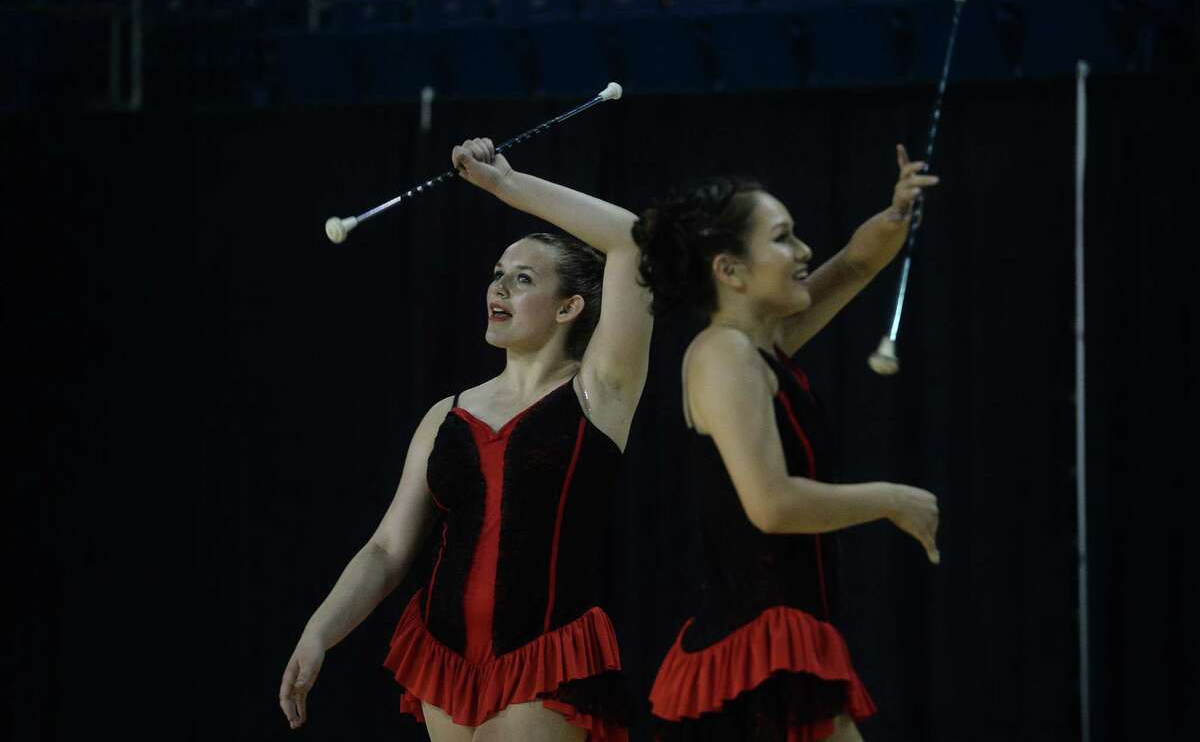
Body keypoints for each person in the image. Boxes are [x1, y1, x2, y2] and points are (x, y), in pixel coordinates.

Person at [279, 138, 652, 741]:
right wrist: (318, 633)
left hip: (544, 656)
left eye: (523, 279)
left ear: (569, 308)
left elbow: (633, 241)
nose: (498, 289)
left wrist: (506, 186)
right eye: (497, 275)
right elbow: (386, 551)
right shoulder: (444, 417)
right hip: (443, 662)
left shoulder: (600, 393)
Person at [632, 145, 941, 741]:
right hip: (757, 646)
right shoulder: (723, 355)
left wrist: (897, 211)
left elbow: (852, 265)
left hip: (783, 637)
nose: (803, 252)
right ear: (731, 270)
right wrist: (891, 500)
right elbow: (770, 505)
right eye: (783, 238)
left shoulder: (760, 345)